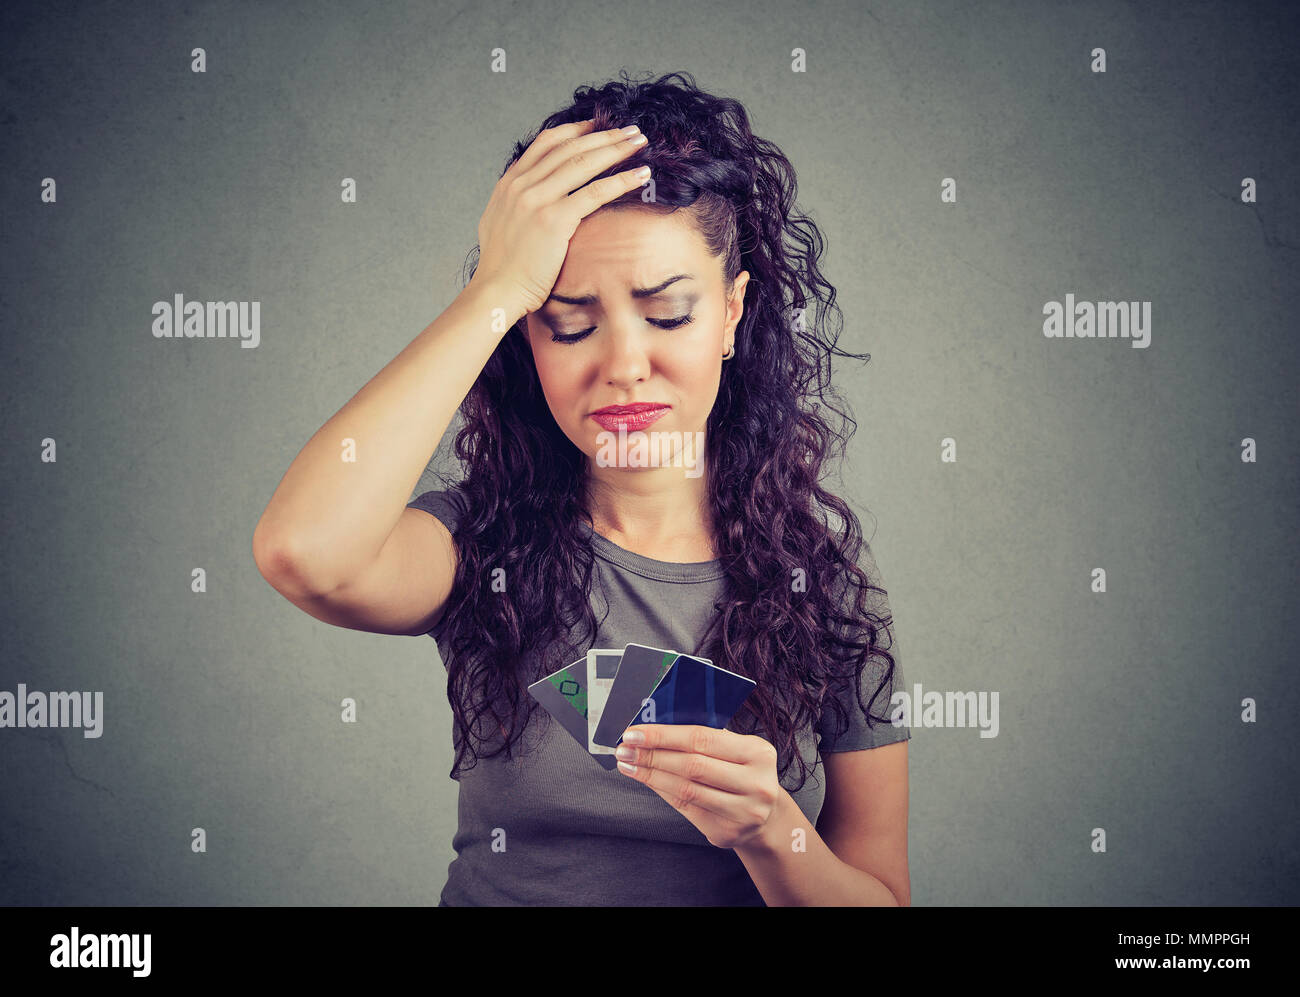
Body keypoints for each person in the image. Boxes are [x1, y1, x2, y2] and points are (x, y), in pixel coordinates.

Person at [253, 70, 910, 906]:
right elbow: (302, 551)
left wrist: (770, 829)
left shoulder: (827, 586)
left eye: (668, 313)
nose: (624, 364)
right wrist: (496, 290)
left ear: (735, 312)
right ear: (530, 336)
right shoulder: (479, 544)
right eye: (568, 323)